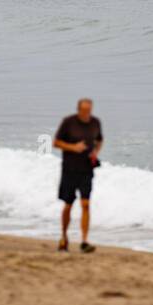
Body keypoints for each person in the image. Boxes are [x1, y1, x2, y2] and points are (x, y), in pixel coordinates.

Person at [53, 98, 103, 253]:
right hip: (69, 169)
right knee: (68, 205)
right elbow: (56, 142)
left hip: (87, 170)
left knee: (86, 204)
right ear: (78, 109)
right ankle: (64, 237)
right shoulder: (69, 122)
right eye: (84, 110)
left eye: (89, 110)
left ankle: (84, 241)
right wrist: (73, 147)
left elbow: (99, 140)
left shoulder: (95, 122)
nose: (87, 113)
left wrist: (96, 152)